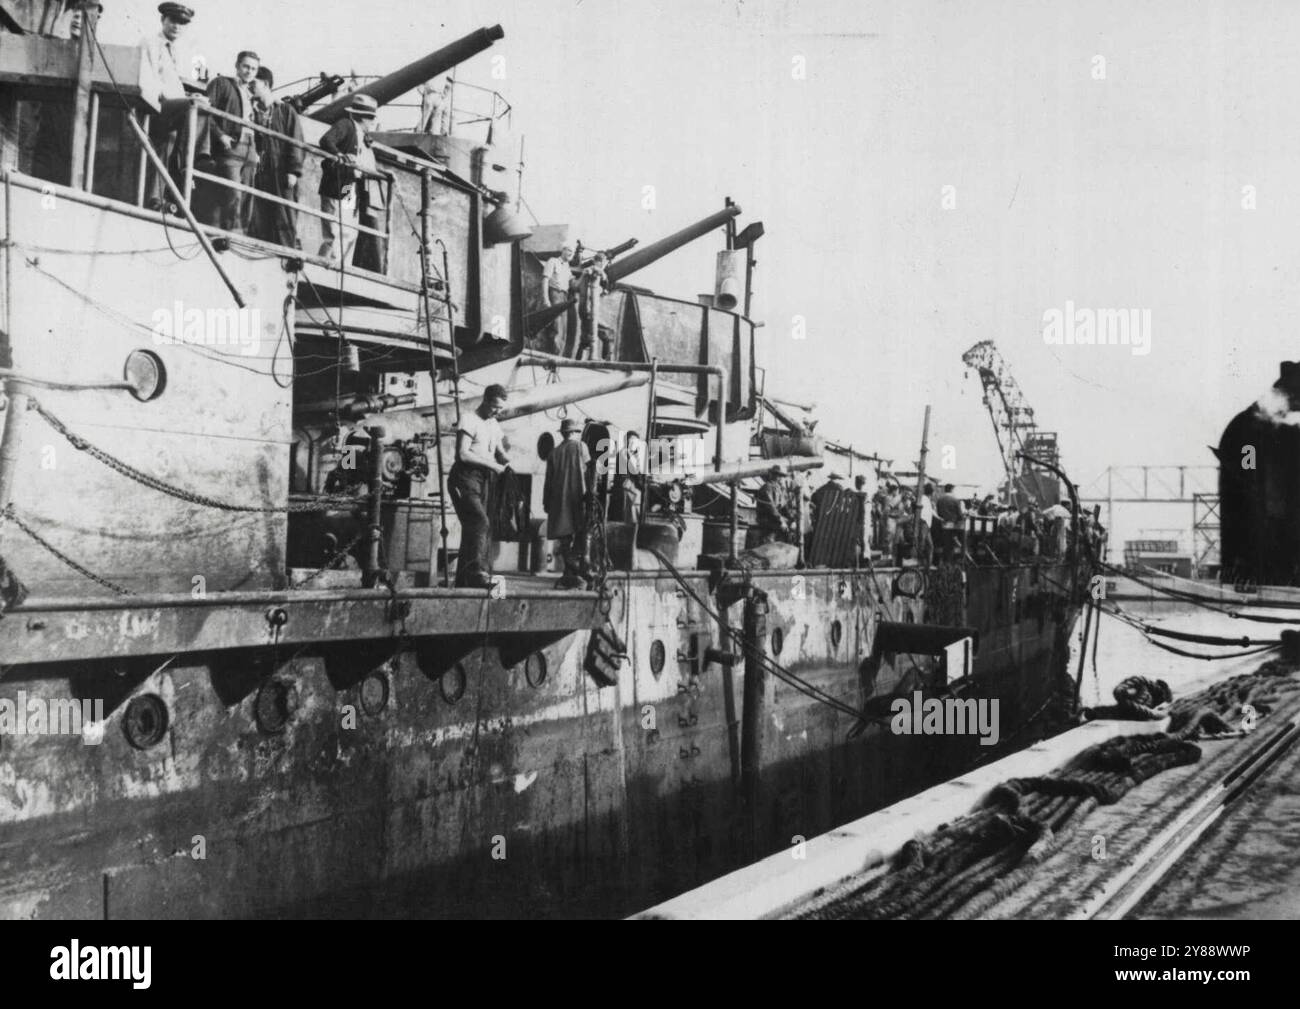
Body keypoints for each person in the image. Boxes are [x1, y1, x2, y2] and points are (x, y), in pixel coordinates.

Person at [140, 3, 201, 212]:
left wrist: (186, 97)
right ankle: (193, 159)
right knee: (193, 108)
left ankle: (155, 197)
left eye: (182, 23)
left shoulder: (177, 51)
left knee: (166, 148)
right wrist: (182, 101)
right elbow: (150, 78)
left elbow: (173, 83)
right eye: (173, 20)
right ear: (163, 20)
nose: (177, 26)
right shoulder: (151, 43)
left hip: (169, 108)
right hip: (154, 105)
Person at [449, 384, 510, 589]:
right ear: (485, 400)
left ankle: (463, 582)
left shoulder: (493, 424)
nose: (497, 412)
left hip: (483, 479)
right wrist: (493, 465)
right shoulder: (469, 419)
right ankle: (477, 573)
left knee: (473, 529)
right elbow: (462, 454)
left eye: (501, 408)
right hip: (464, 478)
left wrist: (506, 462)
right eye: (494, 407)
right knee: (479, 521)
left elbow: (500, 452)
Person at [318, 93, 381, 265]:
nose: (372, 123)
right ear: (364, 118)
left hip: (349, 188)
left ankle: (340, 264)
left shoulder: (362, 136)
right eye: (371, 118)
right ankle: (326, 265)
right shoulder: (346, 125)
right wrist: (340, 155)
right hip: (337, 185)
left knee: (348, 229)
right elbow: (326, 140)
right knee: (334, 229)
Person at [203, 50, 261, 233]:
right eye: (245, 66)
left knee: (246, 196)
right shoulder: (221, 84)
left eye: (253, 69)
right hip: (231, 148)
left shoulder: (253, 95)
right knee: (232, 194)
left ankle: (238, 235)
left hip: (250, 149)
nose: (249, 71)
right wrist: (220, 135)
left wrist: (257, 151)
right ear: (237, 66)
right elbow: (205, 111)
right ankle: (228, 235)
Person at [248, 66, 304, 248]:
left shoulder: (285, 111)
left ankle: (287, 250)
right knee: (259, 212)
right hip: (261, 170)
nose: (249, 84)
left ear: (265, 84)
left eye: (253, 81)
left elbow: (296, 140)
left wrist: (293, 171)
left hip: (282, 171)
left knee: (284, 213)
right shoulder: (252, 111)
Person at [544, 417, 592, 589]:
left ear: (563, 433)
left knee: (564, 539)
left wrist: (546, 502)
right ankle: (580, 572)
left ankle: (570, 572)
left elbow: (548, 481)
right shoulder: (581, 447)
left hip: (558, 500)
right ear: (574, 432)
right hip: (577, 498)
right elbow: (589, 472)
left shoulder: (554, 453)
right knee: (581, 535)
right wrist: (591, 496)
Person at [1081, 676, 1172, 722]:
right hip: (1134, 708)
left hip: (1132, 708)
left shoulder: (1144, 691)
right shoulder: (1143, 688)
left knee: (1099, 712)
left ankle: (1093, 713)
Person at [543, 245, 576, 356]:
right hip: (555, 293)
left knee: (563, 327)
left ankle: (558, 354)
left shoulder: (567, 267)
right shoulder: (553, 261)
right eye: (569, 250)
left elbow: (574, 284)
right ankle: (553, 354)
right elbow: (545, 280)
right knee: (556, 325)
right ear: (563, 250)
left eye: (573, 252)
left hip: (564, 296)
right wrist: (546, 299)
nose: (571, 253)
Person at [575, 251, 608, 360]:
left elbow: (576, 286)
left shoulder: (586, 272)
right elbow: (602, 276)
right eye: (601, 262)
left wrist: (601, 289)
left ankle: (579, 358)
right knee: (593, 335)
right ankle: (593, 357)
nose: (602, 264)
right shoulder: (594, 270)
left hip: (583, 308)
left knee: (584, 336)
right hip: (591, 309)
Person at [613, 430, 646, 524]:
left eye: (635, 441)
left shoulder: (633, 455)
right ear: (626, 442)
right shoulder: (624, 453)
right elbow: (630, 473)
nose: (633, 443)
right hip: (625, 488)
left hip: (629, 485)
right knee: (636, 501)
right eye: (630, 441)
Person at [756, 466, 792, 546]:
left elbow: (783, 505)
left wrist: (791, 518)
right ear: (771, 475)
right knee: (767, 544)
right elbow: (770, 507)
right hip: (767, 520)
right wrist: (781, 520)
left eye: (781, 476)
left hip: (775, 520)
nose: (779, 478)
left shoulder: (779, 489)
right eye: (777, 475)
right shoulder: (767, 488)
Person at [934, 482, 965, 562]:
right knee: (963, 538)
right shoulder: (954, 500)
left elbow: (938, 512)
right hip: (952, 526)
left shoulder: (939, 500)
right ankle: (962, 556)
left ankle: (946, 561)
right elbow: (960, 515)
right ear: (951, 490)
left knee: (946, 545)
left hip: (942, 525)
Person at [915, 483, 935, 568]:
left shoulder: (926, 499)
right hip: (924, 524)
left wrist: (940, 518)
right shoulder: (924, 499)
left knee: (929, 546)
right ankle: (921, 565)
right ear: (932, 492)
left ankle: (927, 566)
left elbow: (931, 511)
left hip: (926, 525)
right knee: (923, 545)